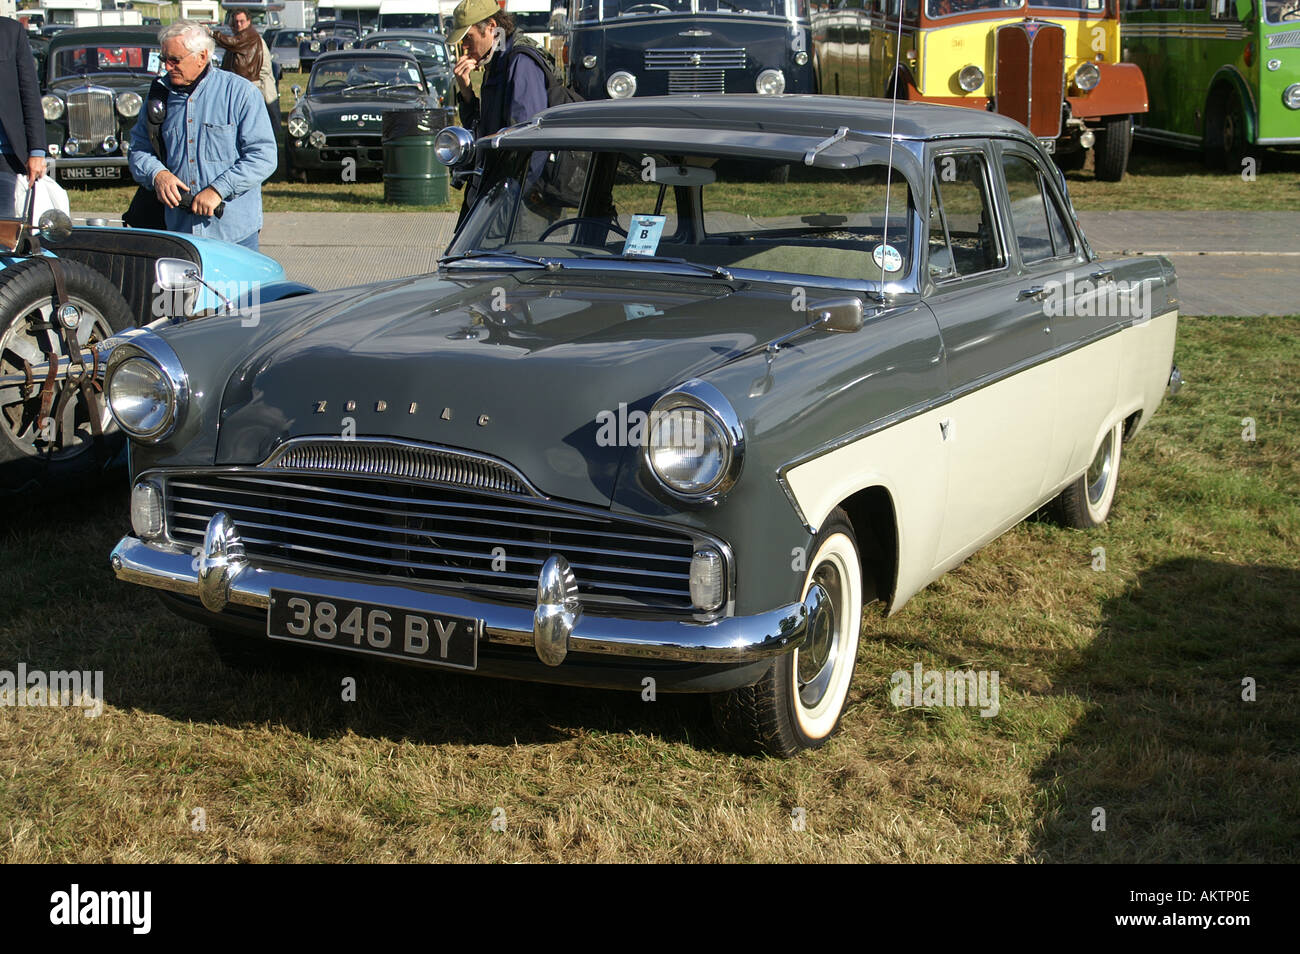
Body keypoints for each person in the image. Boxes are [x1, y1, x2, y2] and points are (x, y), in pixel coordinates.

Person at [128, 20, 277, 250]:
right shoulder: (158, 96)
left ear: (202, 56)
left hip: (233, 235)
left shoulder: (240, 94)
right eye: (163, 59)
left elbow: (263, 156)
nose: (167, 67)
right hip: (177, 234)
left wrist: (218, 189)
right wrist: (158, 175)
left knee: (240, 289)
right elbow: (138, 149)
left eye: (175, 60)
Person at [448, 0, 549, 220]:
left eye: (468, 37)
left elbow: (529, 140)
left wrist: (512, 198)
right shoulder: (496, 64)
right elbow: (481, 134)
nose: (464, 46)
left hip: (520, 204)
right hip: (494, 194)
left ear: (492, 27)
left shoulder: (520, 62)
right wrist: (466, 93)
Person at [0, 16, 47, 219]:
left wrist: (37, 152)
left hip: (5, 157)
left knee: (5, 228)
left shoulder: (11, 32)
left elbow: (29, 94)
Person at [214, 9, 280, 133]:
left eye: (242, 21)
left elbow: (231, 42)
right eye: (236, 22)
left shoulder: (249, 37)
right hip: (242, 85)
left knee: (260, 124)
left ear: (249, 22)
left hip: (256, 85)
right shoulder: (239, 40)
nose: (239, 25)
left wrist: (212, 34)